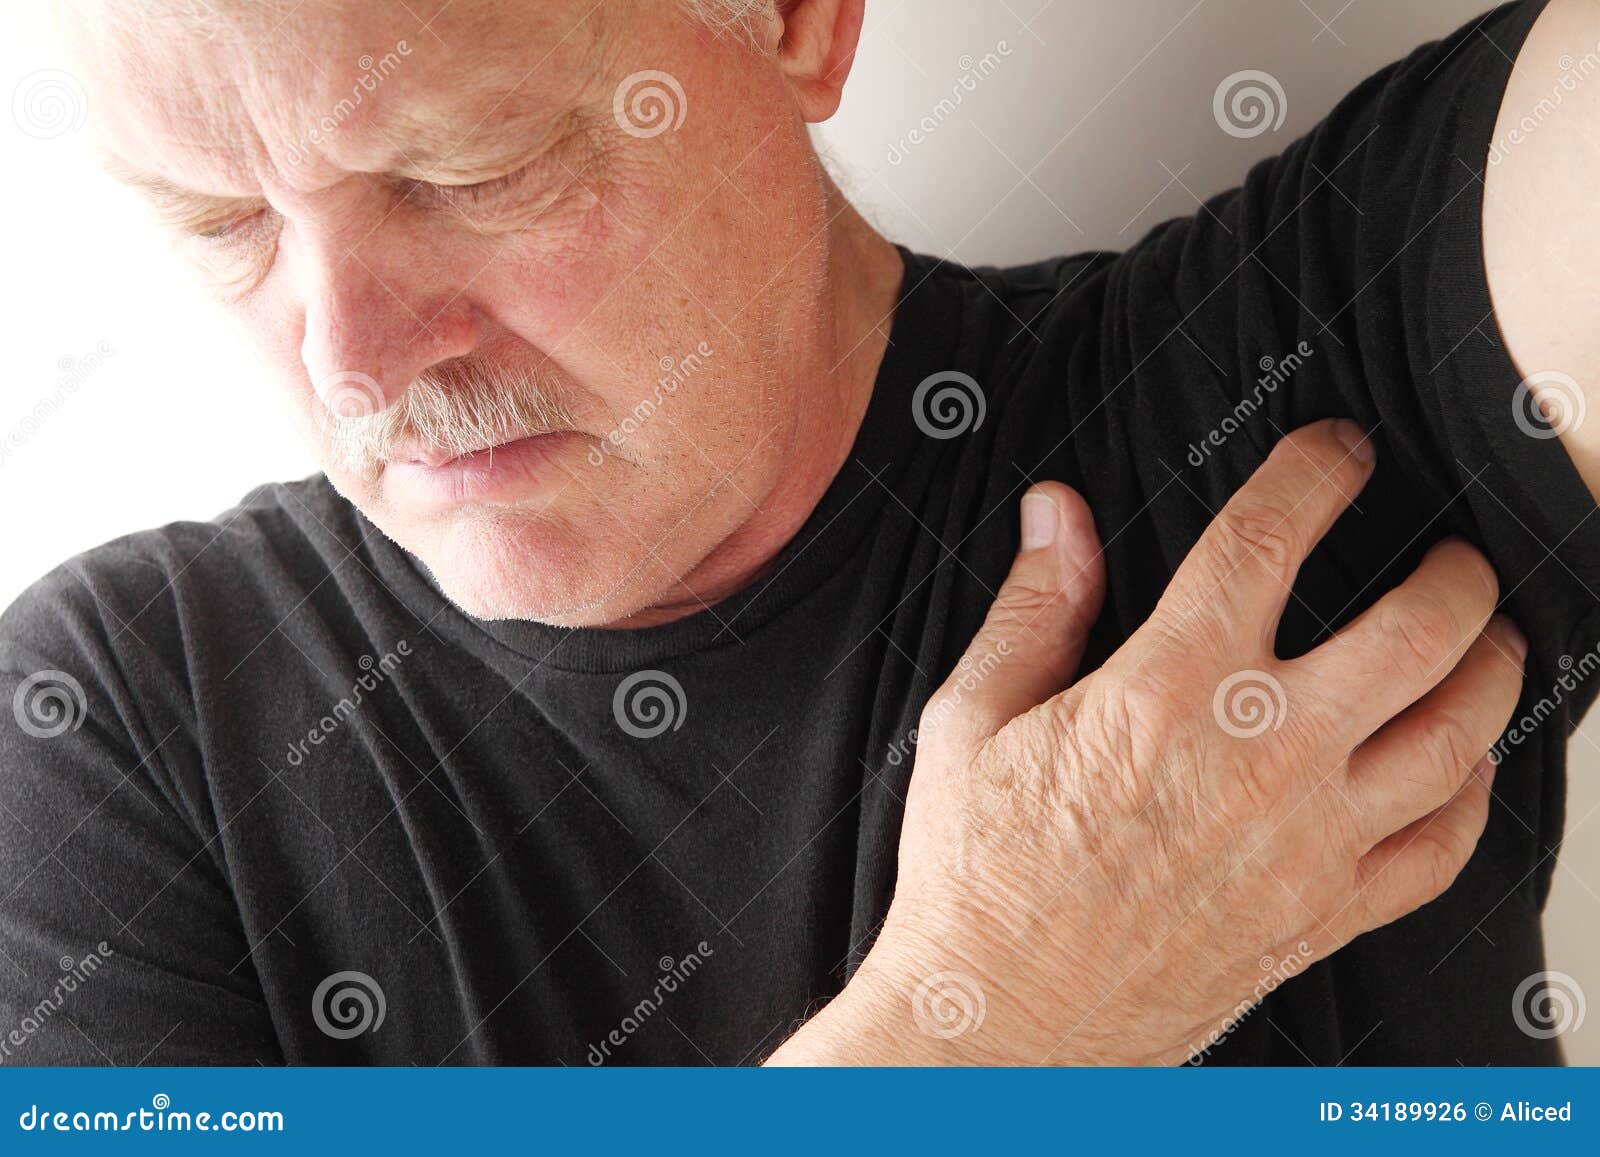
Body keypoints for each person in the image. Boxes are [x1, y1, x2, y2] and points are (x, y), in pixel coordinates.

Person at [0, 0, 1591, 1064]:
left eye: (466, 169)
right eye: (222, 225)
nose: (349, 361)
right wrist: (1000, 1018)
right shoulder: (113, 735)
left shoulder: (1263, 402)